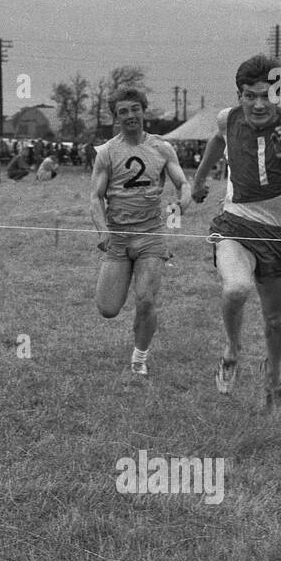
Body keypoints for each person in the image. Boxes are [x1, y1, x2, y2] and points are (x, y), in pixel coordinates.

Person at [191, 54, 281, 410]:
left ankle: (274, 376)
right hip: (235, 223)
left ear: (280, 95)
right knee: (236, 288)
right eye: (249, 95)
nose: (257, 104)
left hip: (280, 234)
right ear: (239, 95)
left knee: (276, 320)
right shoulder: (228, 118)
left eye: (266, 95)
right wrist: (200, 179)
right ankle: (231, 349)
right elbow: (217, 141)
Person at [90, 89, 192, 377]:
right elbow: (95, 198)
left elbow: (183, 184)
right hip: (118, 237)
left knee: (146, 299)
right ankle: (136, 345)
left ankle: (139, 358)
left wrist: (181, 202)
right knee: (108, 309)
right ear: (116, 117)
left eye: (135, 109)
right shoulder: (107, 152)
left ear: (143, 111)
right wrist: (102, 232)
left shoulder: (162, 148)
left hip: (151, 235)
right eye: (123, 111)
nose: (130, 115)